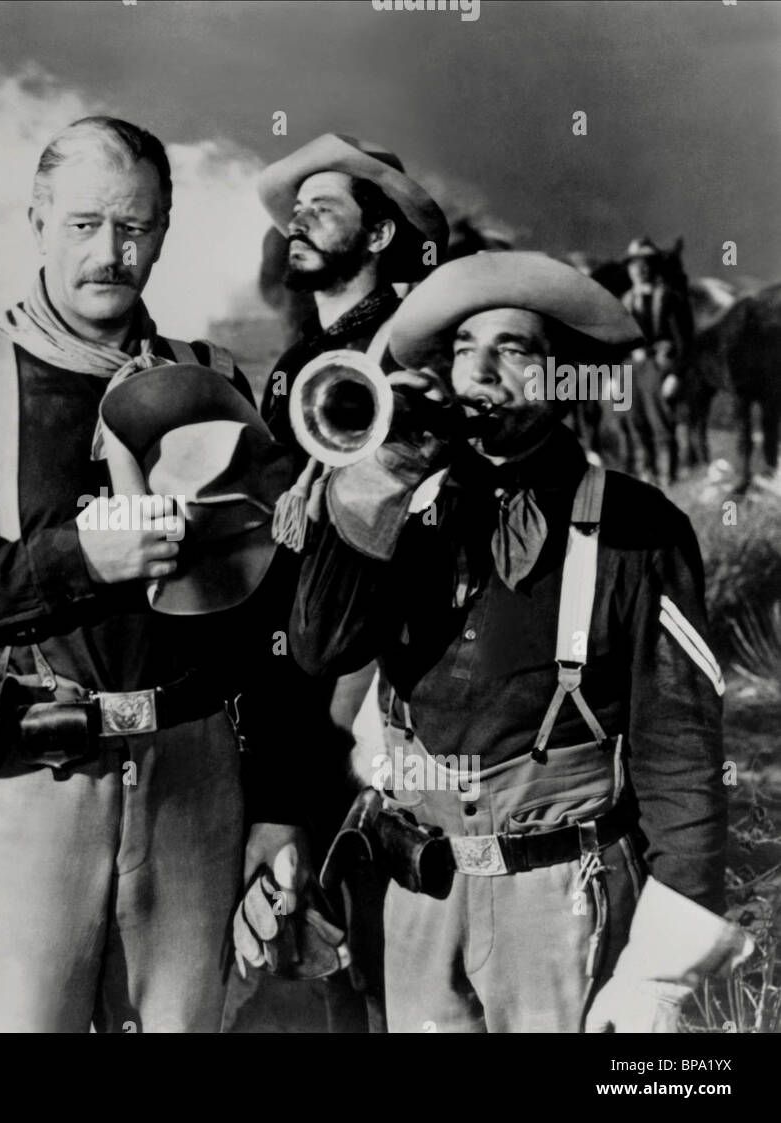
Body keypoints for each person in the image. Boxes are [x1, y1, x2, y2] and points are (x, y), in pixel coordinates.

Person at [0, 116, 301, 1032]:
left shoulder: (212, 383)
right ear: (38, 220)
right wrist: (74, 558)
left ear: (164, 233)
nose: (111, 250)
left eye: (135, 227)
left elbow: (271, 622)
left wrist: (282, 805)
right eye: (86, 222)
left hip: (194, 777)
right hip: (31, 775)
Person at [289, 250, 751, 1033]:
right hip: (420, 890)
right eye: (464, 347)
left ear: (562, 376)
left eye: (514, 348)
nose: (481, 369)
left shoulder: (640, 528)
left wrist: (660, 973)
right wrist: (382, 474)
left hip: (560, 899)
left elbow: (681, 751)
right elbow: (318, 645)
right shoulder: (401, 500)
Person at [226, 134, 448, 1032]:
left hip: (386, 691)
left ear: (383, 232)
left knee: (394, 959)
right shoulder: (292, 368)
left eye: (325, 206)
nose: (298, 222)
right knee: (325, 957)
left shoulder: (419, 344)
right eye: (294, 208)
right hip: (299, 681)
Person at [620, 236, 691, 485]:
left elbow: (684, 342)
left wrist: (675, 374)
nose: (640, 269)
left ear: (653, 267)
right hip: (631, 369)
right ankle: (645, 475)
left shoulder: (668, 298)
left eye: (645, 263)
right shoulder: (626, 301)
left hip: (658, 367)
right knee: (634, 421)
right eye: (634, 264)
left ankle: (668, 478)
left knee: (661, 423)